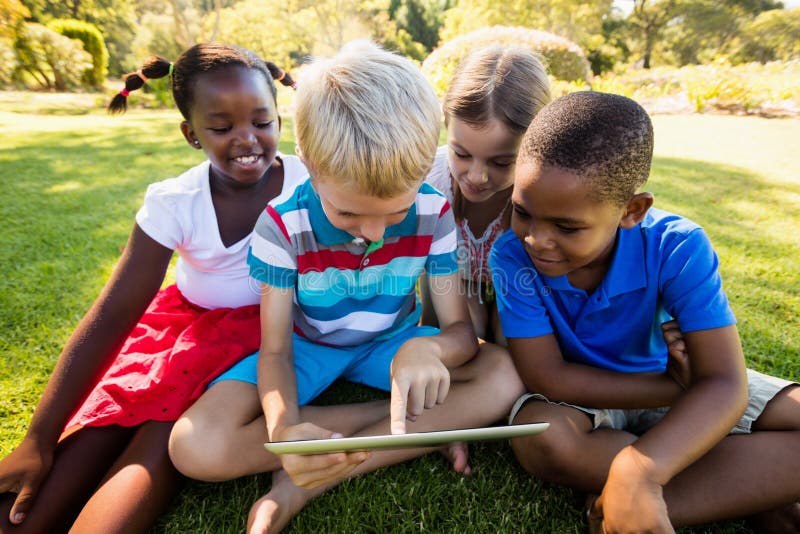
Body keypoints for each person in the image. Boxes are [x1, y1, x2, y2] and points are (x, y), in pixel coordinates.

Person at [168, 40, 525, 533]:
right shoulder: (282, 226)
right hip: (305, 348)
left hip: (393, 343)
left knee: (503, 375)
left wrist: (428, 350)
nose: (373, 233)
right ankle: (420, 426)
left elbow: (460, 333)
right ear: (309, 164)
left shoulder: (432, 210)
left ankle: (308, 481)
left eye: (395, 212)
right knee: (194, 444)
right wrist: (283, 428)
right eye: (349, 212)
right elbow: (275, 352)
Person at [0, 43, 302, 533]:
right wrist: (38, 437)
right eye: (221, 128)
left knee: (157, 441)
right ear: (191, 134)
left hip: (255, 340)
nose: (247, 139)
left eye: (262, 122)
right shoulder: (175, 201)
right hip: (183, 328)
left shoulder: (308, 183)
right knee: (100, 426)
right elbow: (114, 314)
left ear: (279, 122)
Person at [490, 90, 800, 533]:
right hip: (598, 398)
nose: (535, 239)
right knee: (543, 437)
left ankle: (620, 500)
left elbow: (724, 382)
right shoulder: (511, 257)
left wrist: (639, 468)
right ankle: (743, 488)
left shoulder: (678, 246)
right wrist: (673, 391)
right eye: (522, 212)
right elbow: (547, 377)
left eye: (567, 227)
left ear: (632, 211)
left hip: (677, 381)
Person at [420, 46, 551, 343]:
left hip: (521, 287)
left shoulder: (543, 190)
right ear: (446, 125)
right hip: (449, 284)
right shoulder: (430, 179)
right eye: (462, 154)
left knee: (511, 337)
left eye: (502, 162)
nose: (477, 177)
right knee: (469, 330)